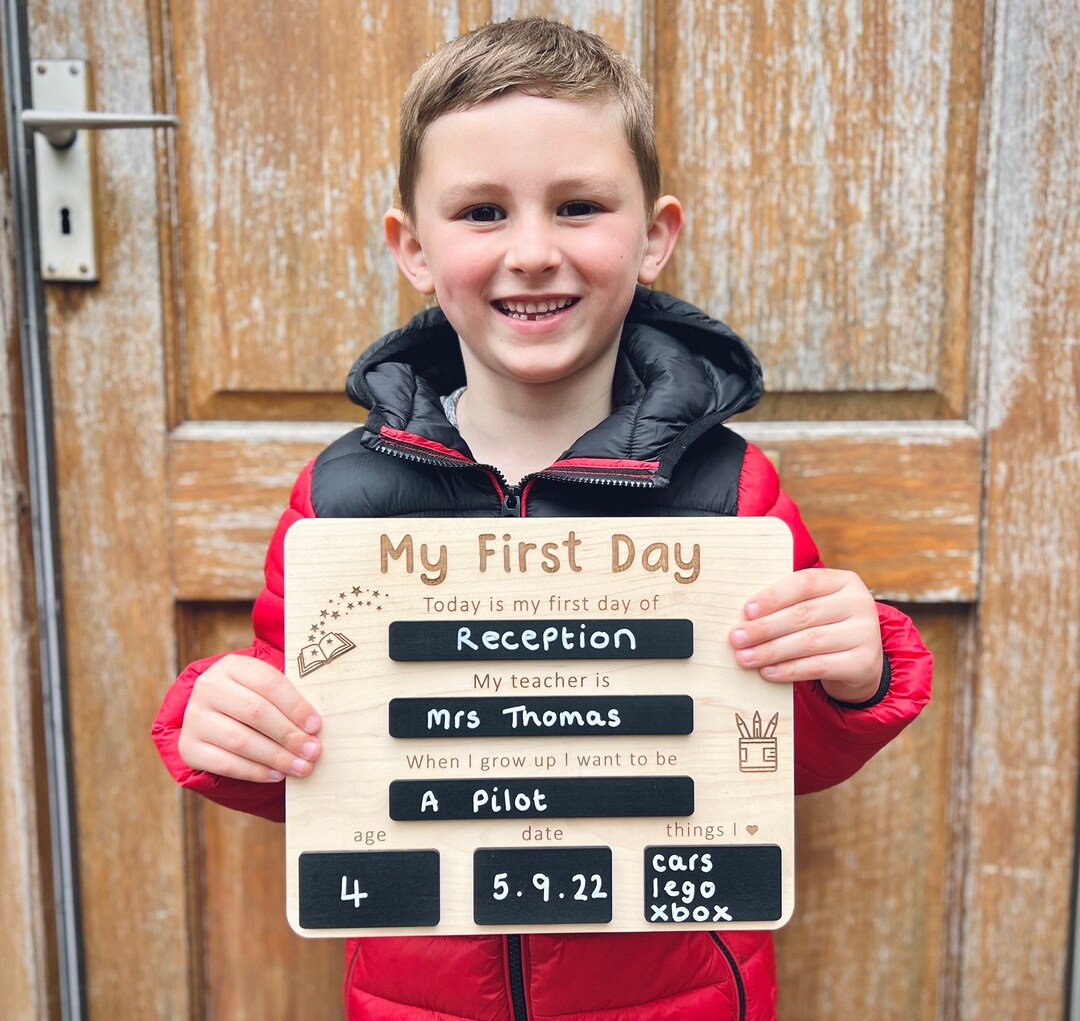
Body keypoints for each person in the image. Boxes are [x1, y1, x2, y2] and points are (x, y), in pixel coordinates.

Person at [153, 17, 932, 1020]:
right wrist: (223, 721)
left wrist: (855, 668)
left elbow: (778, 756)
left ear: (654, 237)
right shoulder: (338, 499)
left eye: (578, 206)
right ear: (412, 248)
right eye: (482, 211)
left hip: (674, 993)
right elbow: (314, 764)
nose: (532, 251)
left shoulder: (732, 492)